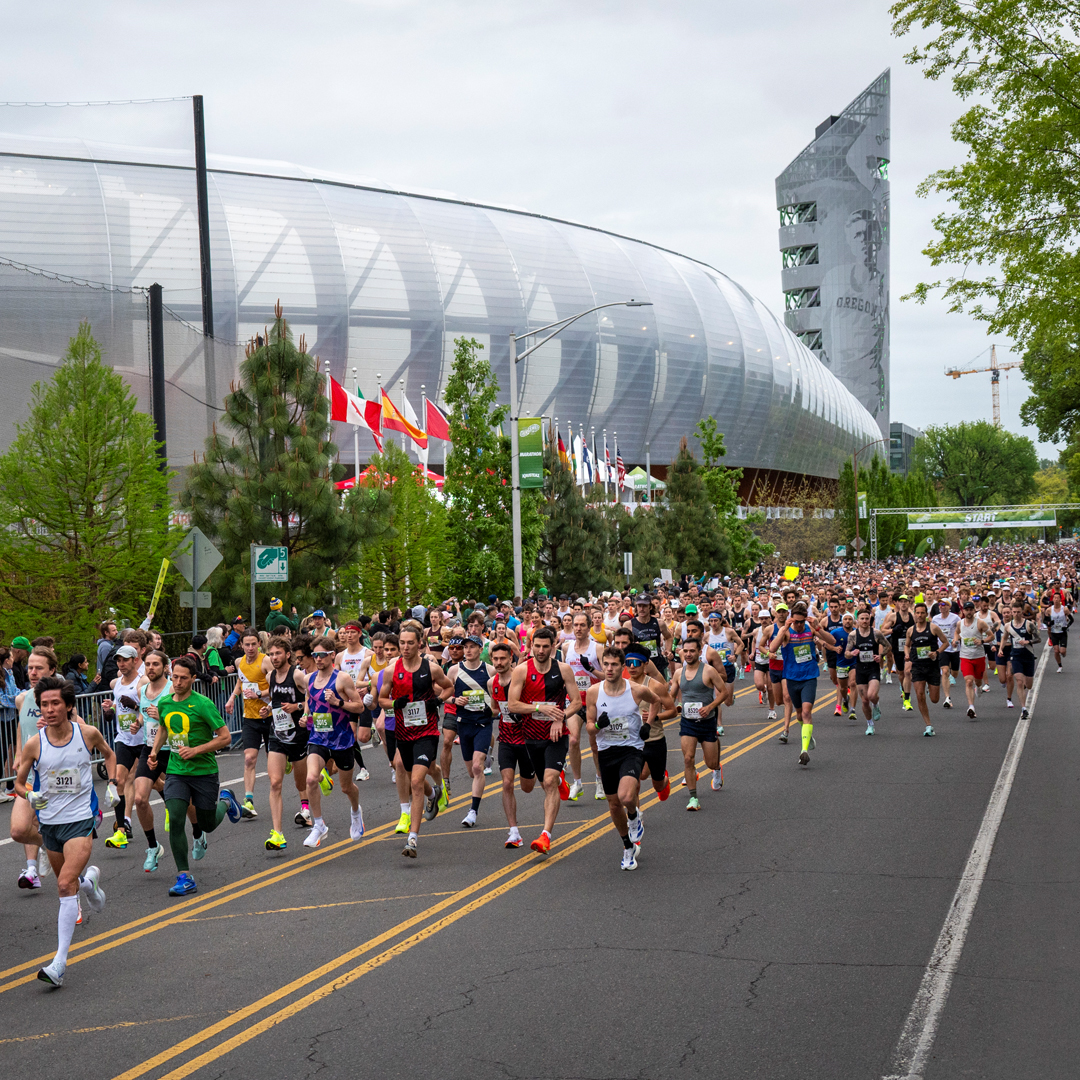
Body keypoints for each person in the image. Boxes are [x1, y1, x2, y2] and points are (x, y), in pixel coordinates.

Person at [14, 676, 117, 987]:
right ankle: (90, 884)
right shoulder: (35, 743)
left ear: (69, 705)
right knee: (70, 884)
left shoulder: (87, 734)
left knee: (62, 885)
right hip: (50, 824)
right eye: (44, 704)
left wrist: (112, 784)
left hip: (81, 820)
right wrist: (29, 795)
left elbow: (109, 755)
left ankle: (58, 963)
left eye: (55, 703)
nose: (49, 709)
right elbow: (18, 783)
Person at [145, 655, 243, 896]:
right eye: (175, 677)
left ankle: (226, 801)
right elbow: (165, 728)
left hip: (204, 771)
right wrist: (154, 752)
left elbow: (225, 737)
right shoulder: (166, 703)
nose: (177, 682)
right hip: (177, 771)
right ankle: (184, 876)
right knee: (176, 817)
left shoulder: (203, 704)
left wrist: (196, 750)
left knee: (207, 824)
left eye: (183, 678)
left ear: (193, 679)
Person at [379, 624, 453, 858]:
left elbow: (449, 687)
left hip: (427, 731)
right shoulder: (392, 670)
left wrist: (438, 700)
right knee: (413, 779)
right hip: (404, 733)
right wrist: (394, 704)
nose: (405, 647)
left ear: (420, 643)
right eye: (402, 643)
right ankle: (433, 795)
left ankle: (412, 839)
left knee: (416, 781)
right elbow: (381, 699)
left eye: (410, 642)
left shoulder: (431, 668)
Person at [506, 626, 580, 853]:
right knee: (534, 785)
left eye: (545, 646)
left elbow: (576, 702)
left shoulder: (563, 669)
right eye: (536, 646)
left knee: (548, 782)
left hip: (556, 735)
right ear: (530, 645)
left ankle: (545, 835)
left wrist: (561, 718)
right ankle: (560, 780)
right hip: (530, 735)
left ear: (553, 646)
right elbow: (512, 705)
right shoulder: (521, 670)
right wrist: (540, 708)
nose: (540, 650)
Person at [586, 647, 658, 871]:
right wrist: (599, 725)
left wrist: (648, 724)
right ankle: (628, 846)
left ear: (622, 667)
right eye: (605, 664)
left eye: (614, 665)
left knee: (626, 797)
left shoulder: (636, 689)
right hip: (607, 751)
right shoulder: (594, 692)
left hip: (631, 748)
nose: (609, 668)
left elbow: (656, 701)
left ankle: (635, 816)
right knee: (613, 803)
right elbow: (589, 727)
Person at [301, 639, 366, 849]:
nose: (318, 659)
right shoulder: (308, 678)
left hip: (342, 740)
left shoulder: (342, 679)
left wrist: (338, 702)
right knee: (310, 779)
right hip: (318, 737)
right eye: (315, 655)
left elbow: (359, 707)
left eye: (322, 655)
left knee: (346, 787)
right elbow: (309, 704)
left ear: (332, 655)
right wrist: (305, 716)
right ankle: (319, 825)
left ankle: (356, 812)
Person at [12, 646, 60, 889]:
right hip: (30, 776)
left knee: (47, 824)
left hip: (55, 777)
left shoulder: (60, 698)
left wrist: (54, 724)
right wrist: (20, 752)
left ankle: (38, 868)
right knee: (20, 830)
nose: (32, 672)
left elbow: (80, 728)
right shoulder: (22, 698)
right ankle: (46, 846)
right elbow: (22, 725)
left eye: (38, 668)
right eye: (30, 667)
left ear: (51, 670)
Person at [770, 602, 836, 766]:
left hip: (809, 677)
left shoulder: (810, 629)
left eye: (802, 621)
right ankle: (809, 737)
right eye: (796, 621)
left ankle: (804, 751)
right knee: (799, 715)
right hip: (792, 678)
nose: (799, 625)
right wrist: (784, 628)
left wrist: (818, 627)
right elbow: (772, 647)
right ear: (791, 619)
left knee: (806, 712)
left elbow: (832, 641)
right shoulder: (787, 633)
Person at [260, 636, 310, 851]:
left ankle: (307, 806)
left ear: (287, 654)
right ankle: (278, 833)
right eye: (271, 654)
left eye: (277, 653)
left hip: (299, 734)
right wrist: (268, 709)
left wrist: (298, 706)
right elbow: (275, 700)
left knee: (302, 783)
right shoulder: (271, 676)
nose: (274, 657)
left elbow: (312, 696)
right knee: (275, 782)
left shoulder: (297, 675)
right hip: (277, 734)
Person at [670, 635, 726, 809]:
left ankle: (716, 767)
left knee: (711, 763)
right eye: (685, 651)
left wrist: (710, 707)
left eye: (692, 651)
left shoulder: (708, 671)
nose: (688, 654)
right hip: (688, 722)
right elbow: (671, 695)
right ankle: (693, 798)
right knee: (688, 759)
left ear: (699, 652)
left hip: (707, 722)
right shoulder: (679, 673)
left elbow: (724, 693)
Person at [447, 634, 495, 828]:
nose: (467, 650)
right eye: (464, 647)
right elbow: (443, 693)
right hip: (463, 724)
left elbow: (500, 693)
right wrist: (453, 700)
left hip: (483, 723)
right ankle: (486, 756)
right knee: (471, 771)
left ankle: (473, 811)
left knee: (477, 767)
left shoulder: (490, 670)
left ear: (480, 648)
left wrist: (495, 708)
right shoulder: (453, 671)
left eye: (472, 647)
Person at [130, 649, 172, 872]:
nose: (151, 668)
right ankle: (153, 846)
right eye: (147, 664)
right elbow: (143, 713)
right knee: (140, 799)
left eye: (156, 664)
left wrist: (162, 716)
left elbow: (181, 717)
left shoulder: (172, 688)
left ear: (165, 667)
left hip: (173, 749)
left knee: (183, 802)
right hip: (151, 749)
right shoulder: (142, 689)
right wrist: (138, 723)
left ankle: (196, 831)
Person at [490, 641, 535, 848]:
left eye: (502, 659)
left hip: (527, 738)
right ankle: (514, 832)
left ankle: (543, 772)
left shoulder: (522, 677)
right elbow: (495, 709)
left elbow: (535, 704)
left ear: (511, 659)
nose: (499, 663)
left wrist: (522, 711)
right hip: (506, 739)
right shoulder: (492, 683)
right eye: (495, 659)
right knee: (507, 783)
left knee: (527, 788)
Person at [99, 643, 144, 848]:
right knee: (118, 781)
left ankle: (171, 806)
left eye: (125, 659)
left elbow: (152, 707)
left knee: (158, 782)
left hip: (144, 740)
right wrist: (110, 709)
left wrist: (135, 707)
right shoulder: (116, 683)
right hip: (124, 739)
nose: (121, 663)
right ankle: (121, 830)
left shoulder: (142, 682)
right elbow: (117, 708)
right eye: (119, 660)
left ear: (135, 660)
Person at [224, 630, 273, 819]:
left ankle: (284, 761)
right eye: (247, 644)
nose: (250, 648)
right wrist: (232, 697)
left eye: (254, 644)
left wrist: (260, 694)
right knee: (249, 758)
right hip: (250, 717)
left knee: (272, 762)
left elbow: (277, 685)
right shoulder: (239, 662)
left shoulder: (266, 661)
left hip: (269, 715)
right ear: (241, 645)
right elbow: (241, 681)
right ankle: (249, 801)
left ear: (259, 643)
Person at [624, 643, 676, 801]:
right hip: (631, 741)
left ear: (645, 664)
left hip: (654, 740)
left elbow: (672, 710)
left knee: (657, 784)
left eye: (636, 663)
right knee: (634, 781)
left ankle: (664, 781)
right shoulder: (623, 685)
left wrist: (655, 718)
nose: (631, 667)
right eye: (628, 663)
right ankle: (636, 819)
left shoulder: (655, 686)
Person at [563, 611, 603, 801]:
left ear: (589, 627)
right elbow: (564, 674)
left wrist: (592, 670)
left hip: (594, 702)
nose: (578, 628)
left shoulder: (598, 649)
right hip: (574, 701)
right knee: (573, 740)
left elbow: (608, 677)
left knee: (595, 745)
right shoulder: (566, 647)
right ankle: (577, 784)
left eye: (582, 625)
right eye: (575, 625)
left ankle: (600, 780)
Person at [905, 602, 950, 736]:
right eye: (917, 613)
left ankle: (931, 690)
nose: (919, 615)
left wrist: (936, 652)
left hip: (932, 666)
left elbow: (945, 642)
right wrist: (907, 654)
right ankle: (928, 725)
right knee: (919, 695)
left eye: (922, 613)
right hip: (917, 666)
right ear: (914, 614)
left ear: (926, 614)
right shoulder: (911, 630)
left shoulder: (933, 628)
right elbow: (907, 645)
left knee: (935, 699)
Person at [845, 610, 883, 736]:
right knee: (865, 700)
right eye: (862, 619)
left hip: (873, 668)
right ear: (858, 620)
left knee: (872, 695)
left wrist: (880, 655)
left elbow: (888, 646)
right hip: (860, 670)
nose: (865, 621)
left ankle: (876, 705)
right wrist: (851, 653)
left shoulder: (876, 633)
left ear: (870, 619)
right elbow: (846, 653)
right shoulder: (853, 635)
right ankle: (870, 724)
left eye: (867, 618)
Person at [954, 601, 994, 719]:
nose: (969, 612)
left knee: (977, 681)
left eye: (971, 609)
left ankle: (980, 687)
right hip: (965, 656)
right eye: (967, 610)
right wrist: (955, 640)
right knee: (969, 681)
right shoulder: (960, 623)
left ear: (974, 610)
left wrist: (982, 641)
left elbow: (991, 636)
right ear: (964, 611)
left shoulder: (980, 623)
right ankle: (971, 707)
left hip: (979, 656)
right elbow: (957, 633)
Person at [1001, 602, 1039, 720]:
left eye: (1018, 612)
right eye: (1014, 612)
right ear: (1012, 612)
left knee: (1029, 684)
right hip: (1015, 656)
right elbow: (1004, 637)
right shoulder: (1008, 626)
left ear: (1022, 612)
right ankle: (1023, 708)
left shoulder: (1029, 625)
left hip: (1028, 656)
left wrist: (1028, 642)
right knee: (1019, 681)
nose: (1016, 614)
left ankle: (1023, 694)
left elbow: (1038, 639)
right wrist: (1000, 649)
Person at [1042, 593, 1073, 672]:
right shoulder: (1049, 610)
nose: (1056, 599)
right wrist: (1048, 623)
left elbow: (1071, 619)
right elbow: (1045, 620)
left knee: (1062, 651)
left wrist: (1067, 626)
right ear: (1053, 599)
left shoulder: (1064, 609)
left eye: (1057, 598)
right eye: (1054, 598)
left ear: (1060, 599)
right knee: (1056, 650)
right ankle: (1060, 666)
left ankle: (1063, 653)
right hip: (1054, 632)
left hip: (1062, 632)